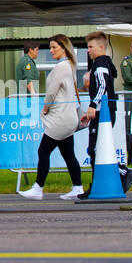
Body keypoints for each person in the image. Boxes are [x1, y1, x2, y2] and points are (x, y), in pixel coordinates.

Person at [17, 34, 83, 200]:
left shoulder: (61, 67)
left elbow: (52, 92)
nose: (51, 50)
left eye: (54, 47)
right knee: (68, 155)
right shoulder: (69, 65)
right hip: (68, 117)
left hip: (59, 118)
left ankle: (38, 187)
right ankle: (78, 187)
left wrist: (45, 109)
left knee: (43, 151)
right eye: (51, 47)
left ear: (64, 47)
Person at [78, 30, 132, 195]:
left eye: (90, 47)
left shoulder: (100, 63)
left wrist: (92, 105)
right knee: (95, 148)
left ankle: (121, 172)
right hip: (103, 111)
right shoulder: (101, 63)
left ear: (101, 47)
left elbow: (102, 86)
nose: (88, 50)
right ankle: (100, 181)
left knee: (96, 149)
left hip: (104, 111)